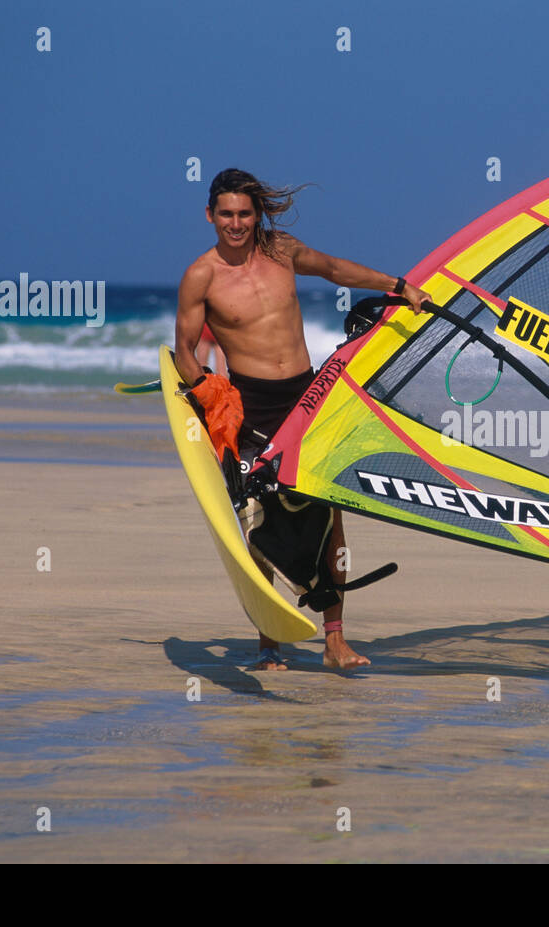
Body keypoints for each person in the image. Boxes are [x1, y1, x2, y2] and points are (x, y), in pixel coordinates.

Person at [173, 168, 430, 671]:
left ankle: (335, 640)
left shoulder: (281, 251)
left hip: (307, 396)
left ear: (257, 214)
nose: (236, 223)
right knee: (260, 521)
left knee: (328, 513)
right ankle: (270, 642)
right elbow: (184, 350)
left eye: (245, 213)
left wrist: (398, 285)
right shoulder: (201, 276)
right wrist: (206, 392)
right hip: (253, 406)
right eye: (226, 214)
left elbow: (335, 269)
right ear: (210, 215)